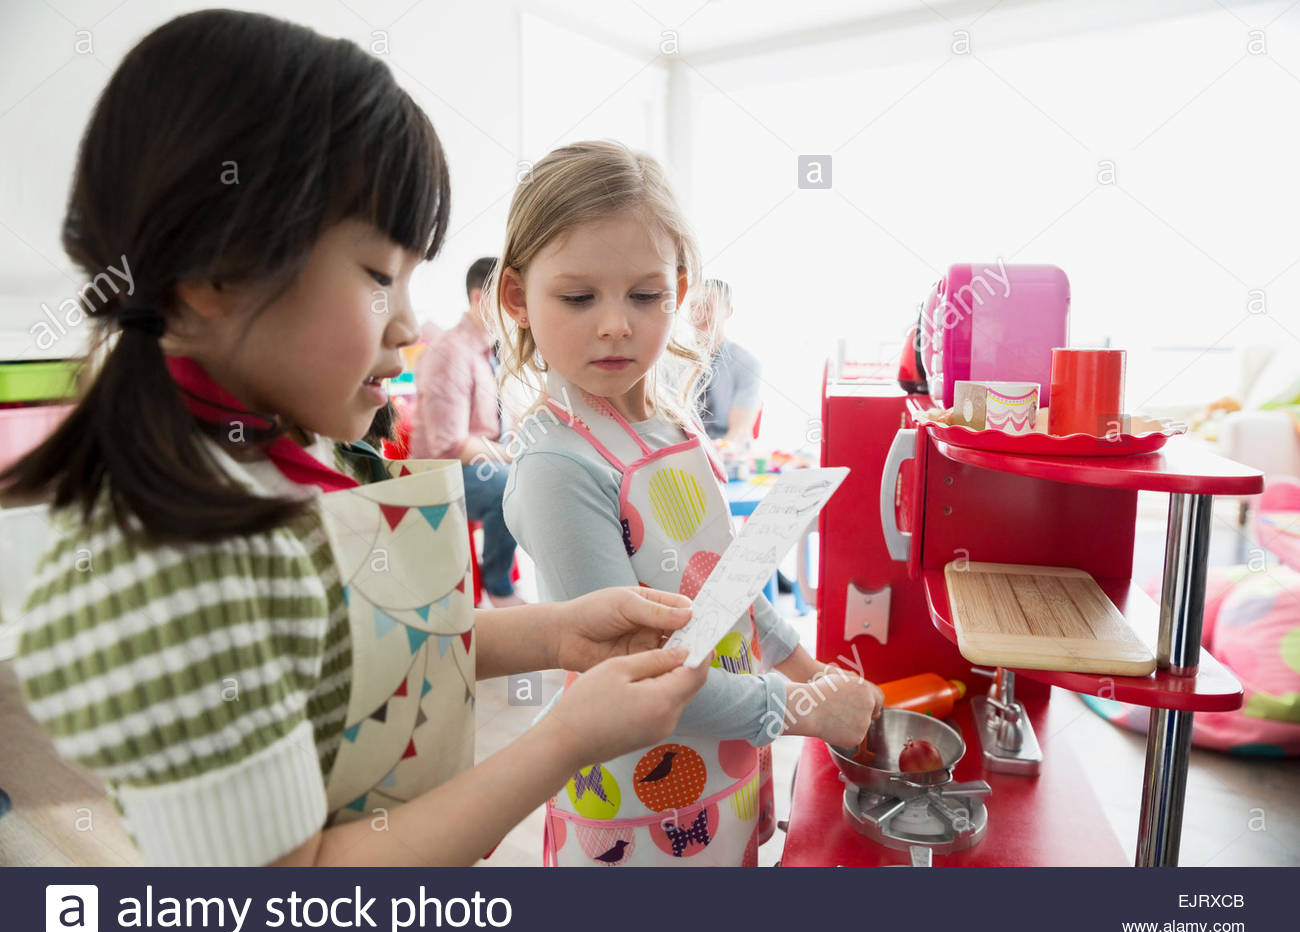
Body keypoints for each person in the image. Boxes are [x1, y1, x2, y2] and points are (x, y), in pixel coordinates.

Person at [0, 11, 710, 867]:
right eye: (378, 275)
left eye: (410, 278)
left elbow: (354, 654)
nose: (409, 322)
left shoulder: (305, 457)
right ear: (215, 272)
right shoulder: (185, 562)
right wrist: (560, 741)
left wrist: (554, 635)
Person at [495, 141, 884, 867]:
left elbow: (729, 583)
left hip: (724, 765)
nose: (616, 324)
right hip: (632, 811)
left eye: (645, 296)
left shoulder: (672, 415)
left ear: (679, 288)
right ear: (517, 297)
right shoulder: (558, 463)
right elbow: (635, 675)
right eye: (579, 297)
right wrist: (795, 708)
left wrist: (807, 670)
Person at [412, 256, 522, 607]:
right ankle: (499, 587)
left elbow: (496, 424)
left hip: (474, 463)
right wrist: (512, 454)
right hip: (439, 475)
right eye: (507, 297)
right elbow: (452, 447)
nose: (517, 308)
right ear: (480, 299)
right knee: (507, 483)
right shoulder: (451, 354)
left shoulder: (490, 350)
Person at [690, 279, 762, 446]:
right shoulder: (675, 361)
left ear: (728, 311)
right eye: (693, 306)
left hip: (728, 452)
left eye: (707, 307)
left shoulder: (746, 363)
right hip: (687, 451)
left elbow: (739, 432)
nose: (698, 314)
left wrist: (713, 458)